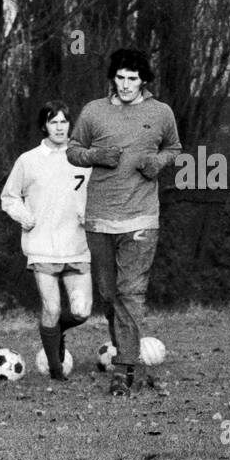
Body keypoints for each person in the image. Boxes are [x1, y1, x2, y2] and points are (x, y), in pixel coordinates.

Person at [66, 49, 181, 397]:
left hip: (142, 217)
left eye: (133, 78)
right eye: (120, 78)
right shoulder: (93, 111)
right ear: (112, 79)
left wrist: (158, 163)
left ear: (143, 80)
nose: (127, 84)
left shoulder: (160, 112)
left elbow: (174, 148)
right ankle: (127, 357)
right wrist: (94, 157)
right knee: (108, 295)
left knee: (131, 293)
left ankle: (124, 370)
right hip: (100, 218)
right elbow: (72, 149)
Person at [0, 100, 93, 380]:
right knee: (51, 309)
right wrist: (23, 216)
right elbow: (9, 197)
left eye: (64, 121)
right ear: (45, 126)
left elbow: (97, 193)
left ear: (70, 125)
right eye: (54, 121)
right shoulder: (28, 160)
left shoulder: (83, 159)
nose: (60, 127)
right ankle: (56, 371)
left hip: (77, 246)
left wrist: (89, 213)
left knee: (81, 312)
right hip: (42, 247)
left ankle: (58, 331)